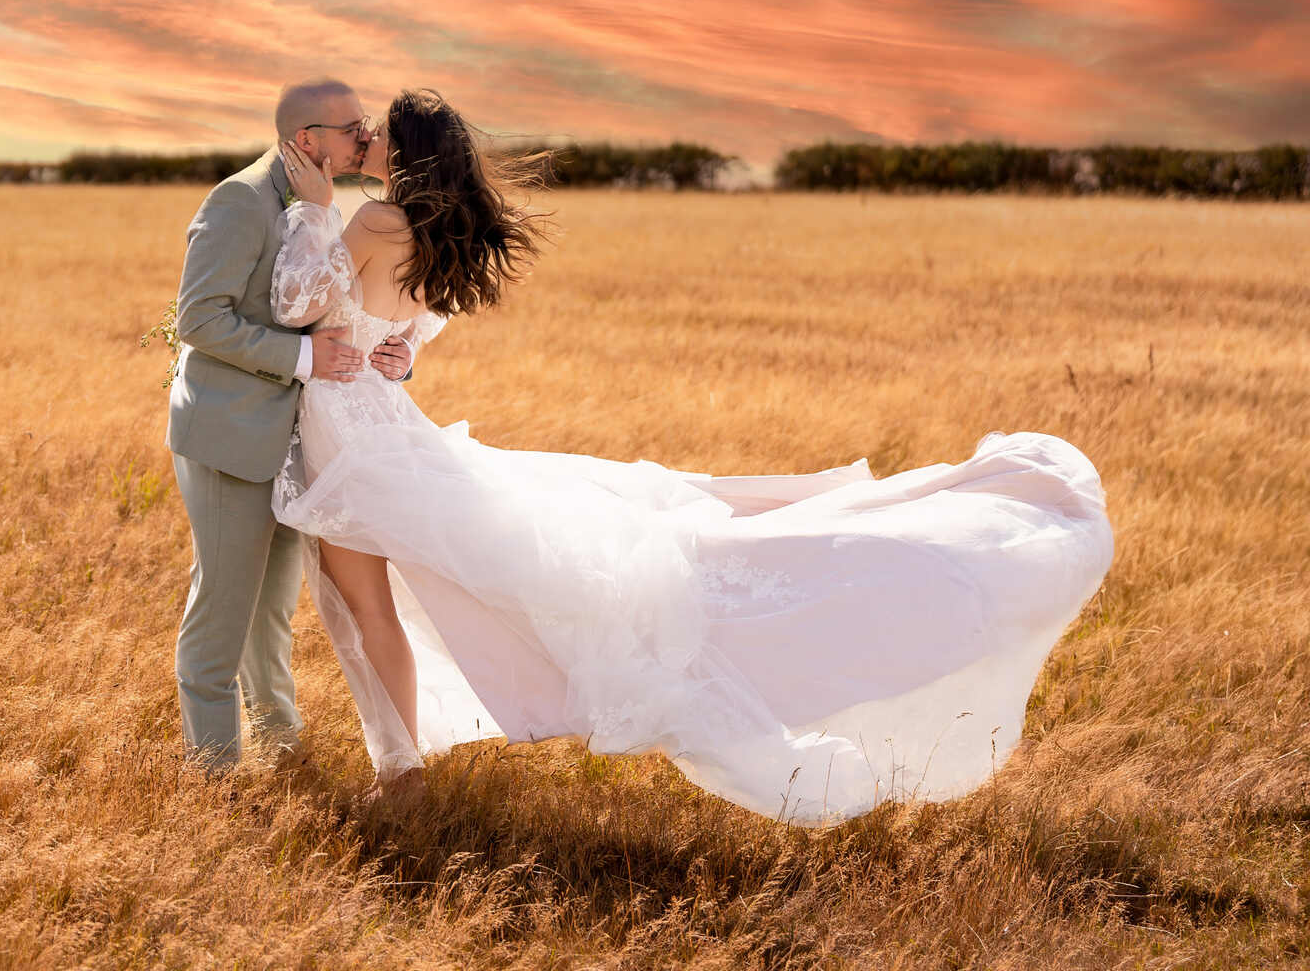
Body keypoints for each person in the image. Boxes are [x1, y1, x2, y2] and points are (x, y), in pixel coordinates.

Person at [268, 88, 1114, 824]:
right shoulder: (429, 227)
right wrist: (398, 349)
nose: (360, 142)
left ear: (405, 153)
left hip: (355, 433)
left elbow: (298, 302)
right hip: (377, 418)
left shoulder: (374, 219)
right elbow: (415, 327)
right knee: (392, 597)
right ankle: (401, 766)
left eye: (373, 132)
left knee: (366, 603)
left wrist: (311, 209)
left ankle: (402, 772)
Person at [165, 78, 414, 771]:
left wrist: (399, 352)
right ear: (308, 142)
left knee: (271, 612)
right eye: (352, 128)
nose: (366, 138)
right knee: (223, 609)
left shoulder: (330, 206)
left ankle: (280, 745)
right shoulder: (240, 203)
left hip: (296, 442)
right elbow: (200, 319)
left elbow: (359, 303)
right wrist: (304, 356)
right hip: (231, 435)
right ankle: (211, 770)